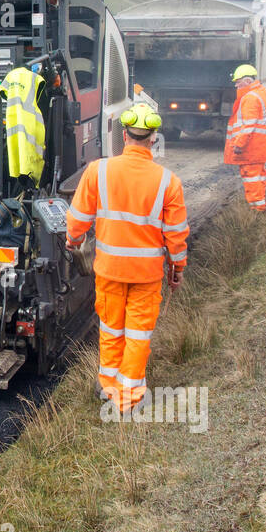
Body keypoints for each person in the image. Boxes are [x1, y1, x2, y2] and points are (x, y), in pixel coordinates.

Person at [65, 103, 189, 414]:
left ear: (124, 135)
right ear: (153, 138)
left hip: (109, 270)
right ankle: (128, 398)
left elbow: (77, 218)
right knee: (137, 335)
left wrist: (73, 240)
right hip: (146, 275)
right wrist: (177, 270)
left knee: (111, 329)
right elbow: (176, 236)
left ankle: (108, 387)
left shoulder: (99, 170)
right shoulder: (168, 182)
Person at [224, 64, 266, 211]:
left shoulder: (250, 98)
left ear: (247, 81)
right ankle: (260, 204)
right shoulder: (262, 92)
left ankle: (257, 209)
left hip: (251, 147)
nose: (236, 85)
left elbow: (248, 126)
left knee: (251, 177)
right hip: (260, 146)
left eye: (238, 81)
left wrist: (239, 144)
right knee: (259, 176)